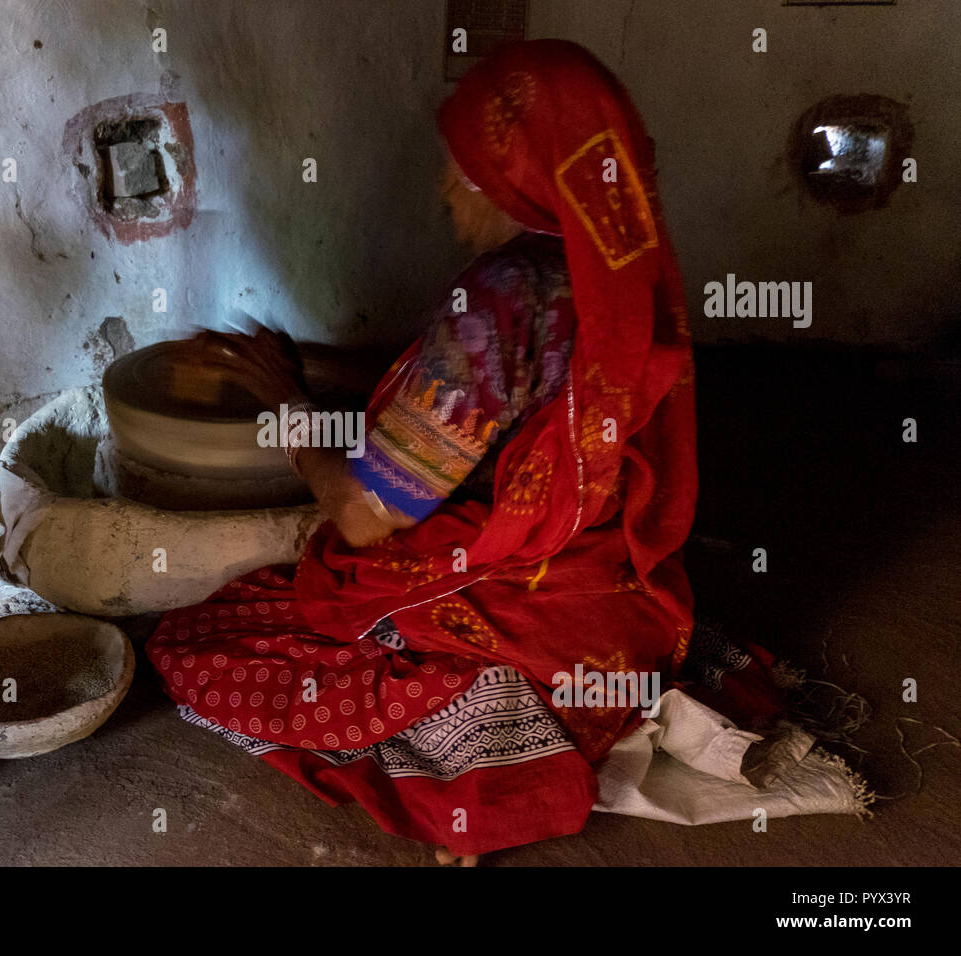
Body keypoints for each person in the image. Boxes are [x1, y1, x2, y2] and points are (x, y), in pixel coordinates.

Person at [145, 39, 786, 864]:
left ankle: (485, 752)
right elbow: (476, 403)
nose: (446, 187)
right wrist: (297, 366)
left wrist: (284, 405)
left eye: (462, 168)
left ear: (516, 176)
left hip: (504, 596)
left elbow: (364, 512)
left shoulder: (500, 299)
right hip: (607, 602)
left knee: (202, 641)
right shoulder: (617, 273)